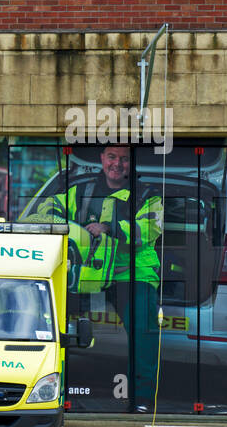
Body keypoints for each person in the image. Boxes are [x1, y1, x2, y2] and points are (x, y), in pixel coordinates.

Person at [30, 145, 163, 409]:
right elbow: (45, 210)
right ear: (102, 159)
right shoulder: (81, 190)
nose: (117, 164)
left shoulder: (148, 195)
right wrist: (73, 227)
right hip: (85, 275)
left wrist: (109, 227)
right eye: (112, 157)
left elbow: (149, 229)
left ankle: (142, 400)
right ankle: (52, 392)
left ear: (131, 163)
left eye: (124, 159)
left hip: (132, 274)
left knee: (143, 335)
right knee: (54, 329)